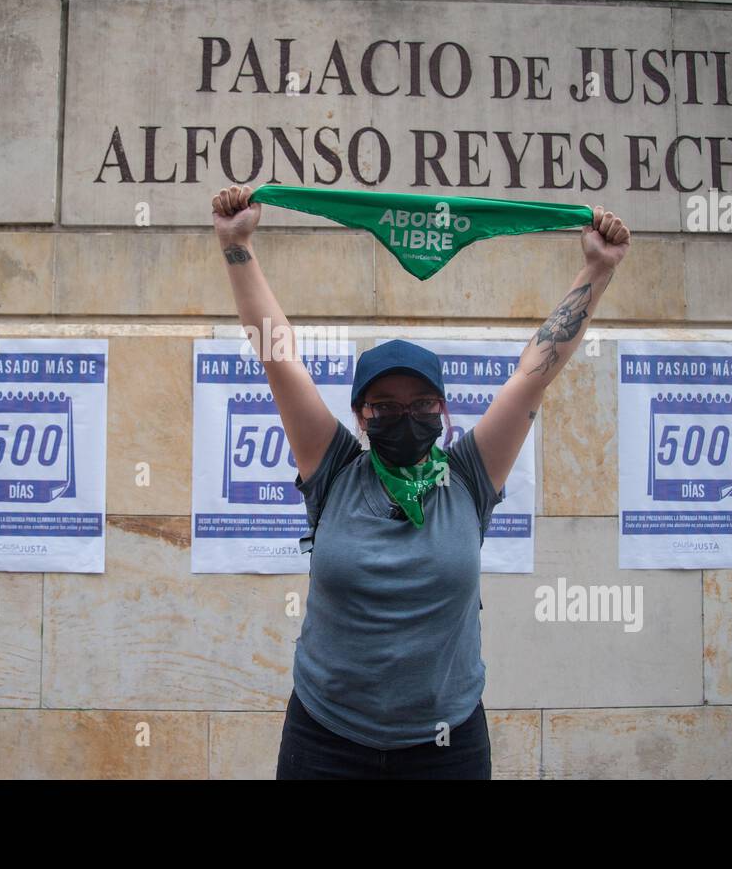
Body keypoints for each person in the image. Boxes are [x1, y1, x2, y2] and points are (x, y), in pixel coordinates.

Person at [211, 183, 631, 780]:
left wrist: (598, 270)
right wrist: (237, 246)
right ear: (360, 416)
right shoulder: (334, 471)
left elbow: (534, 375)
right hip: (326, 737)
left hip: (446, 745)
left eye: (420, 402)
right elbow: (279, 360)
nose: (403, 416)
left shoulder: (469, 476)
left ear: (442, 410)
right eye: (383, 405)